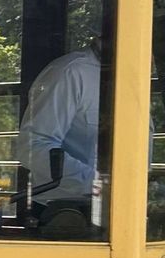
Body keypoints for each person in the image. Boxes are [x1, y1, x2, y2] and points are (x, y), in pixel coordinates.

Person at [16, 38, 102, 205]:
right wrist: (99, 184)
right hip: (63, 214)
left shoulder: (133, 82)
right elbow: (32, 147)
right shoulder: (70, 72)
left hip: (120, 209)